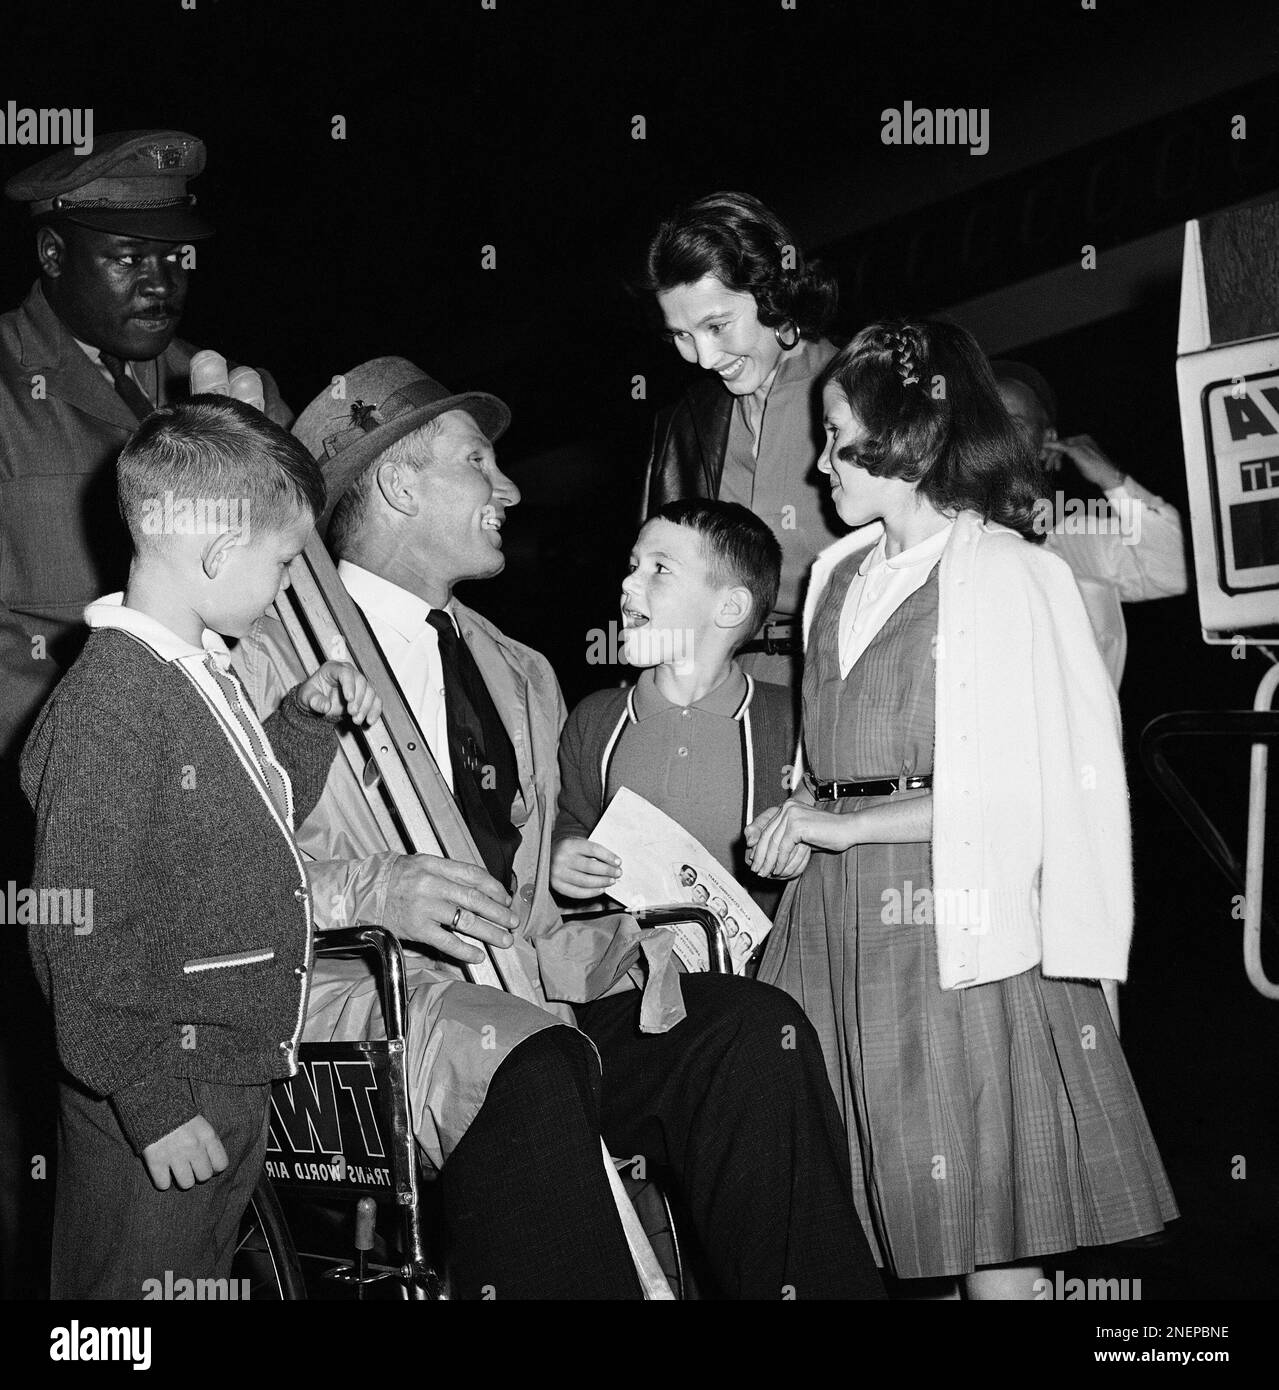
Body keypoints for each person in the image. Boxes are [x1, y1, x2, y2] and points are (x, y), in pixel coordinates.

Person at [233, 357, 883, 1300]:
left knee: (748, 1033)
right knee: (525, 1061)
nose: (510, 486)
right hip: (364, 1025)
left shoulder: (521, 672)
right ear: (398, 483)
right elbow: (214, 877)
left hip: (530, 1003)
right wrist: (373, 891)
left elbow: (533, 918)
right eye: (477, 462)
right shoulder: (261, 652)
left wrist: (626, 944)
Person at [746, 320, 1177, 1299]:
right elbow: (830, 761)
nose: (818, 466)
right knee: (883, 1217)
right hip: (831, 915)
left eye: (836, 434)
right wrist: (796, 822)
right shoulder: (830, 577)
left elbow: (1036, 780)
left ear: (906, 433)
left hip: (956, 910)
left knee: (986, 1231)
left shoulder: (1017, 571)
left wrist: (846, 825)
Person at [0, 131, 291, 1293]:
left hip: (184, 806)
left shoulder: (196, 397)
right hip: (42, 788)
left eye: (177, 257)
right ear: (53, 248)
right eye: (128, 255)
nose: (159, 280)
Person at [21, 398, 379, 1298]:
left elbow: (246, 832)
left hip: (220, 1075)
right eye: (285, 562)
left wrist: (301, 719)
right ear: (220, 554)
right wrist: (148, 1101)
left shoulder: (193, 676)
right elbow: (75, 928)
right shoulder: (114, 702)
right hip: (158, 1087)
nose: (286, 584)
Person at [552, 499, 794, 923]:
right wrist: (562, 854)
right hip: (626, 974)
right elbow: (572, 817)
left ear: (730, 607)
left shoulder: (791, 722)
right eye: (633, 565)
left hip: (752, 982)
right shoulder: (595, 719)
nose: (628, 583)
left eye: (659, 569)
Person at [640, 191, 843, 693]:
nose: (703, 358)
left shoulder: (863, 393)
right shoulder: (686, 421)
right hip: (721, 685)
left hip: (844, 670)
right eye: (681, 336)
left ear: (772, 292)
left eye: (716, 325)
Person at [991, 359, 1188, 689]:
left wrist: (1112, 480)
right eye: (986, 424)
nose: (996, 439)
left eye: (1014, 424)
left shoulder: (1079, 537)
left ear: (1047, 439)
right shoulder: (941, 530)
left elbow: (1176, 568)